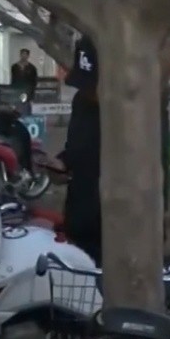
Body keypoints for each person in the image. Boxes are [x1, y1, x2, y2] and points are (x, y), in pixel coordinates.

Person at [61, 34, 103, 264]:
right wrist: (62, 162)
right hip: (79, 215)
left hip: (110, 226)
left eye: (92, 85)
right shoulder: (81, 102)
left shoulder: (128, 113)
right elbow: (77, 145)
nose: (87, 92)